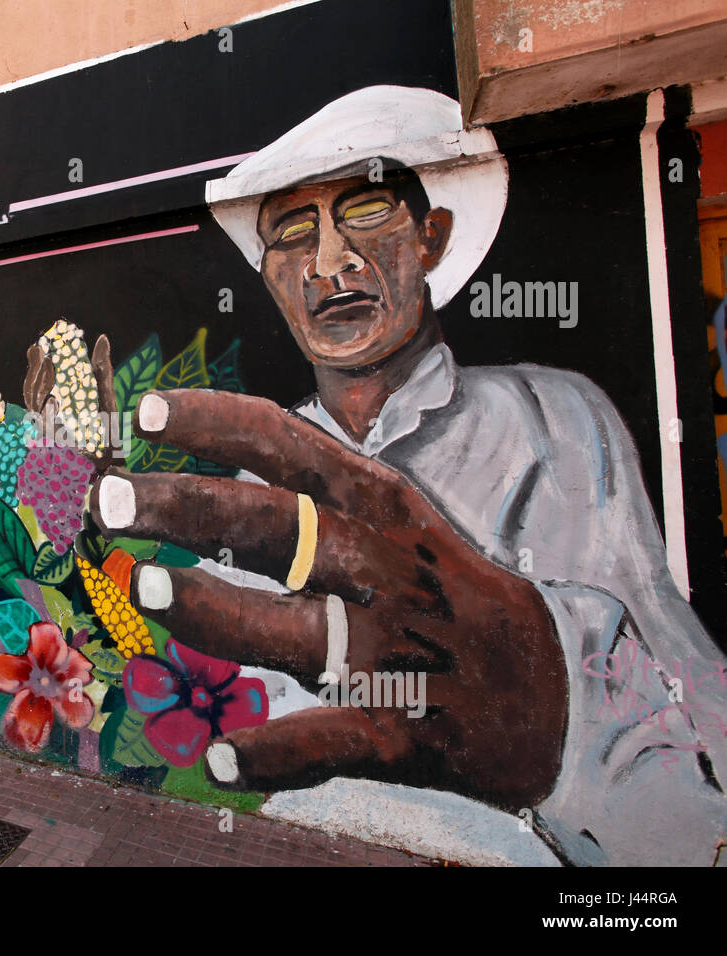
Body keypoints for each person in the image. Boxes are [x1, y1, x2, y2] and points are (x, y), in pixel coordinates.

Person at [82, 86, 727, 865]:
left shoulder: (555, 419)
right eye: (292, 231)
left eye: (365, 212)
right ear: (269, 279)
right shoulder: (256, 497)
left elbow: (678, 667)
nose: (330, 262)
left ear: (432, 236)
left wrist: (559, 719)